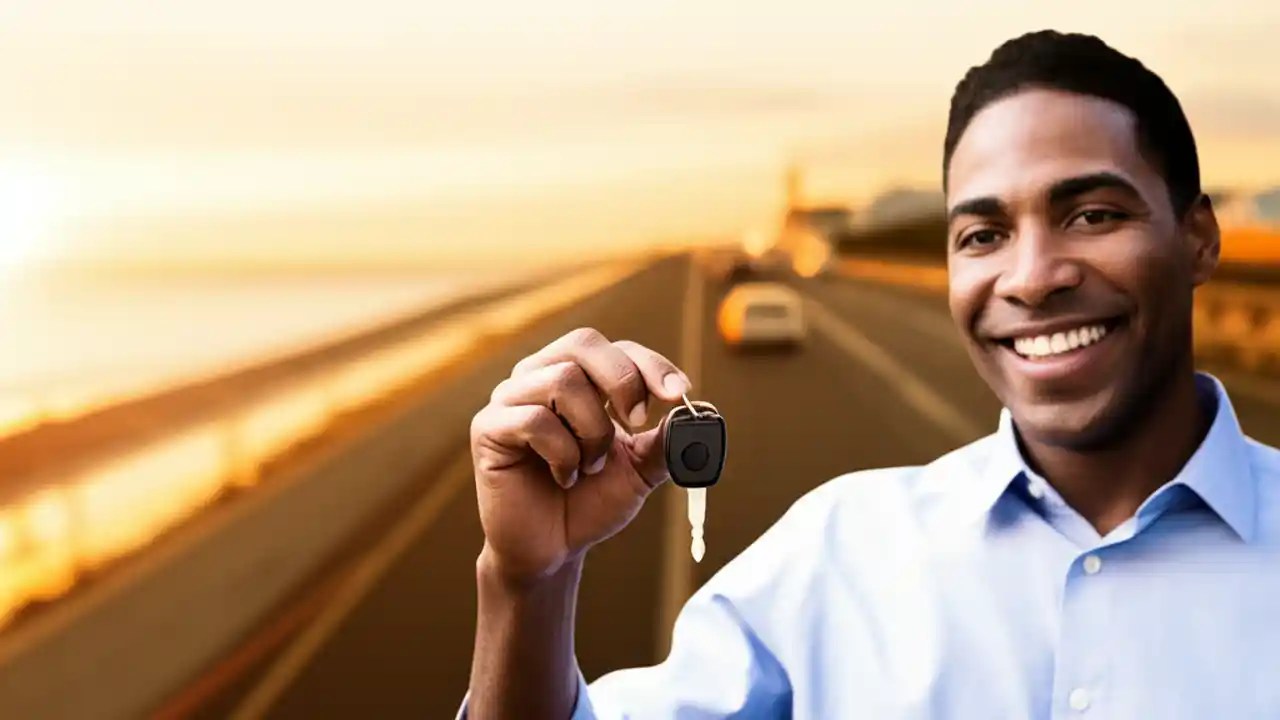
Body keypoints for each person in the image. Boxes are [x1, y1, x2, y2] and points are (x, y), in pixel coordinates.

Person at [461, 30, 1280, 719]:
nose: (1032, 277)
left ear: (1198, 238)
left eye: (1093, 215)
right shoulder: (833, 556)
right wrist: (528, 582)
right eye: (983, 235)